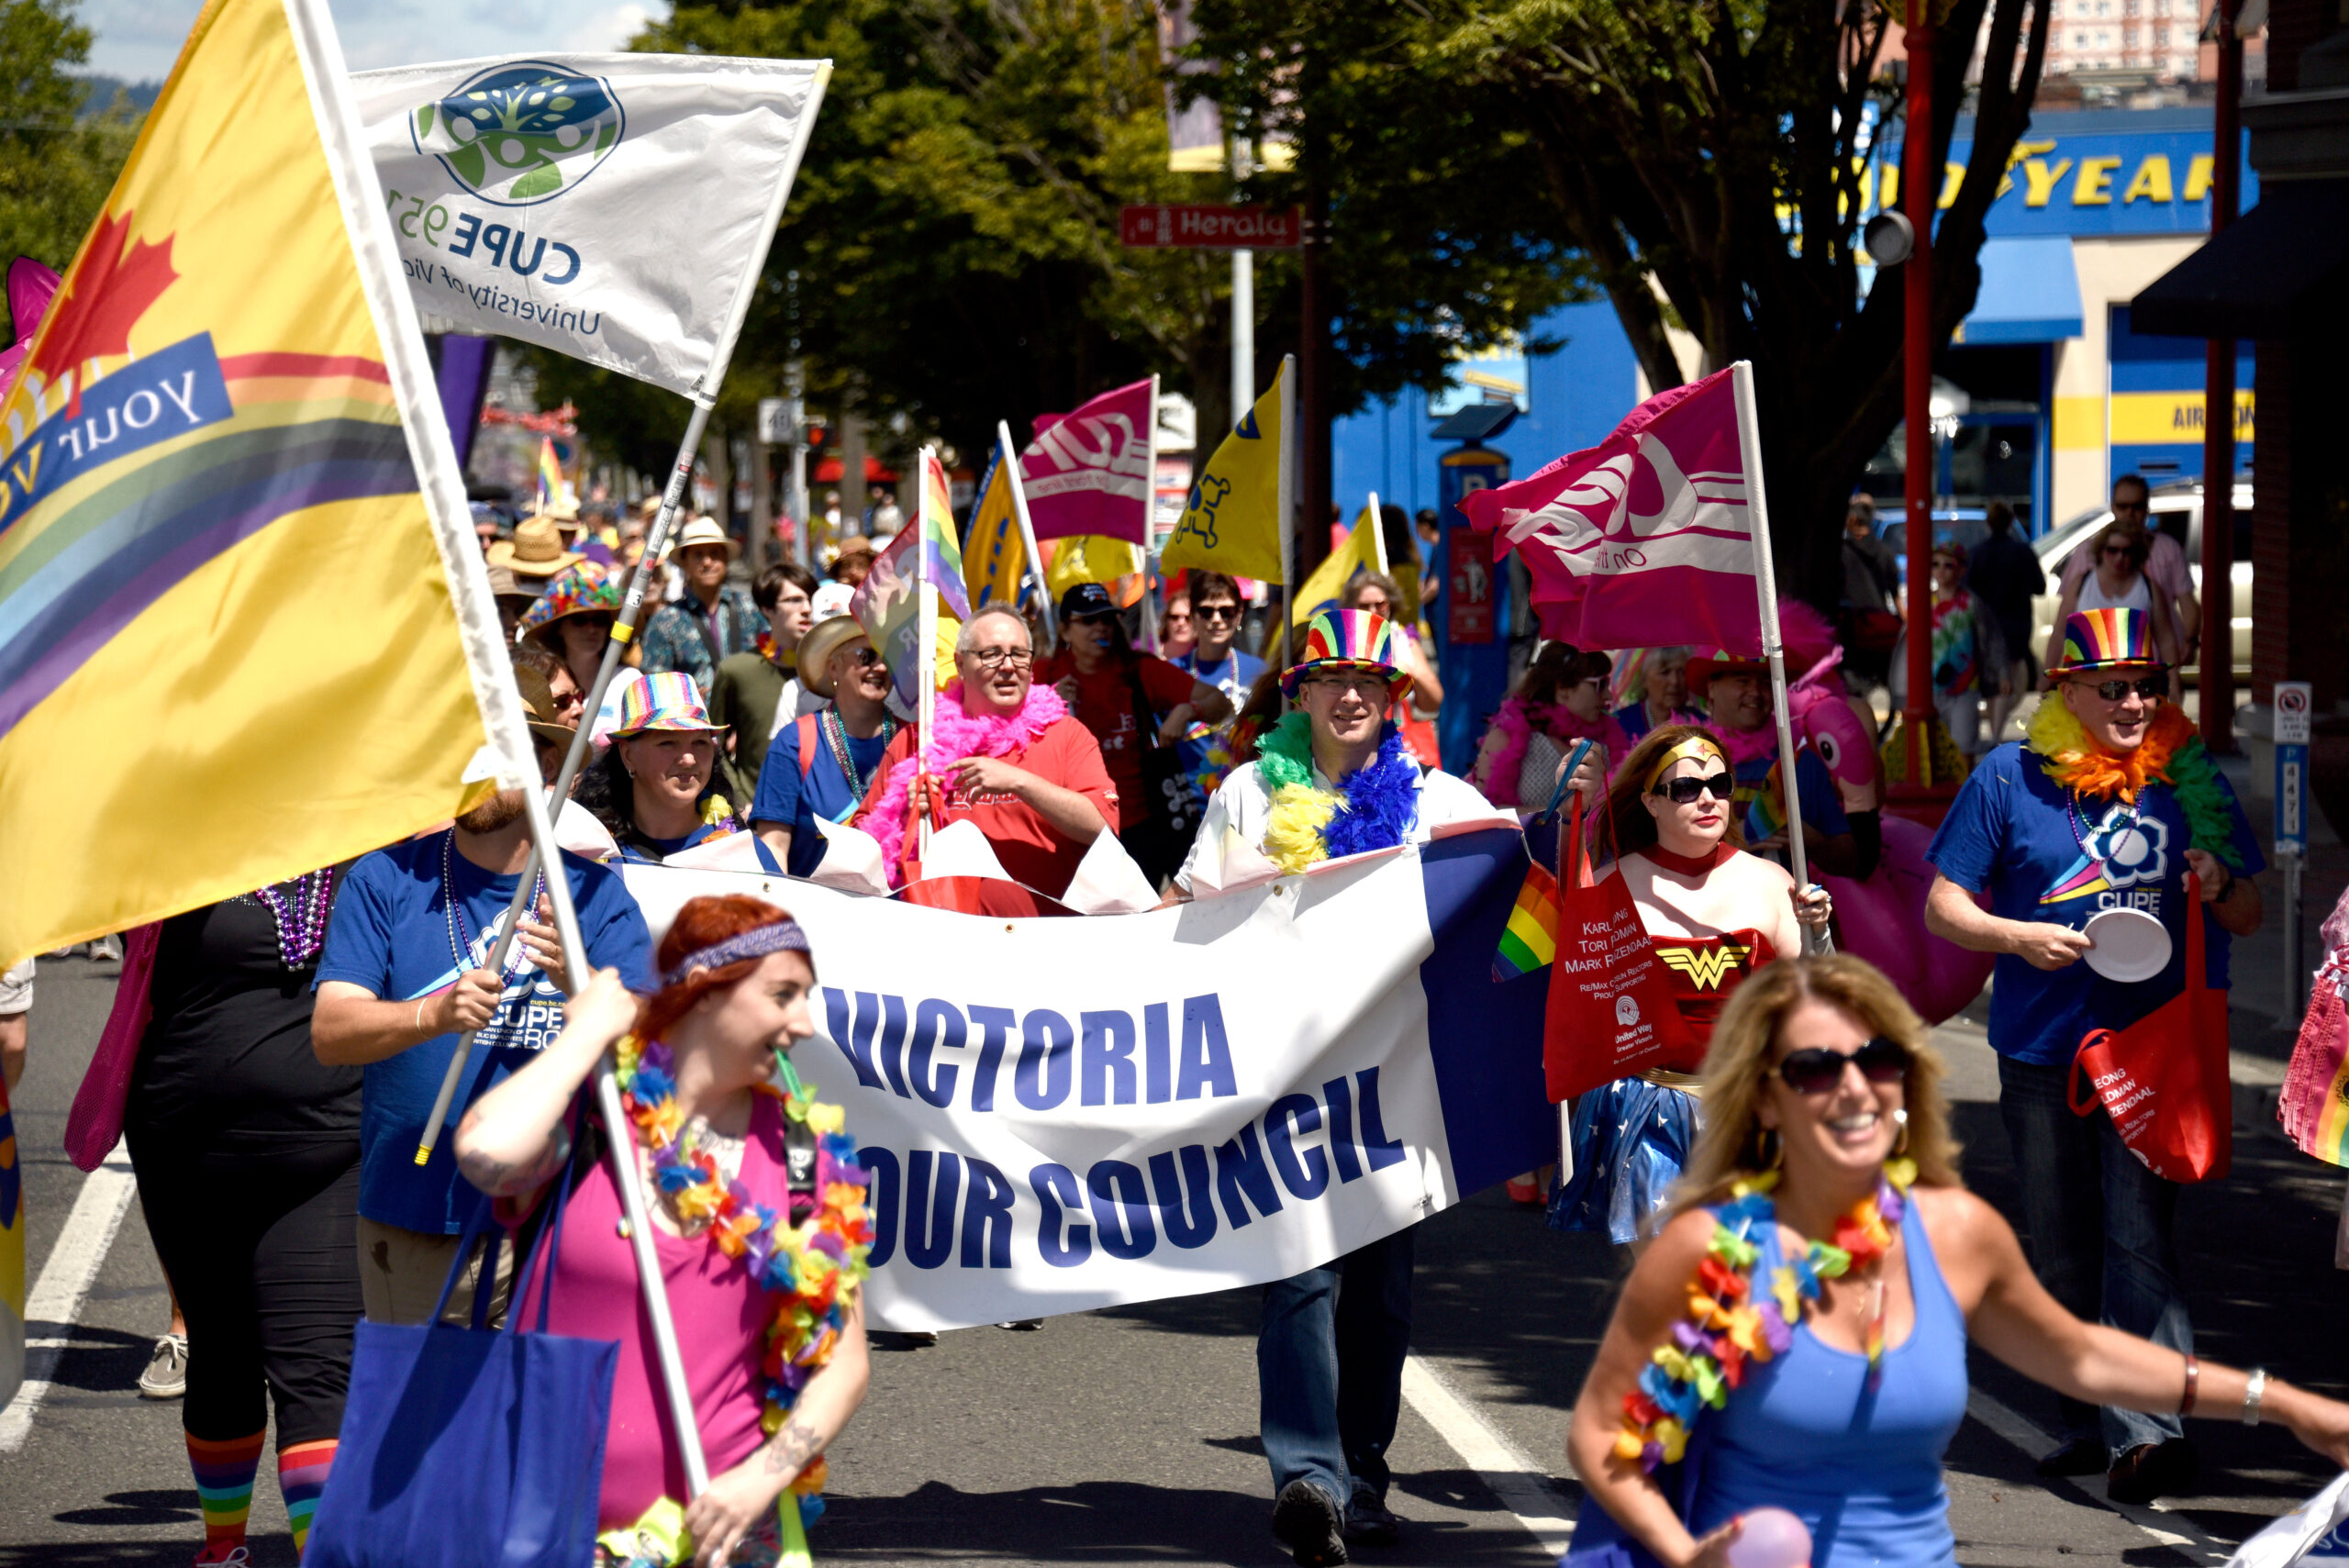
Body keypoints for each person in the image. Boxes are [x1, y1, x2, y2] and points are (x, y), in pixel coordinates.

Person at [1564, 954, 2349, 1568]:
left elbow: (2080, 1356)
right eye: (1812, 1068)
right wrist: (1684, 1553)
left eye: (1876, 1062)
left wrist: (2282, 1403)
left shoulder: (1952, 1234)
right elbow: (1604, 1435)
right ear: (1765, 1099)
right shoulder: (1707, 1248)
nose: (1852, 1089)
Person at [1168, 611, 1522, 1563]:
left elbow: (1513, 881)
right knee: (1299, 1274)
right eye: (1328, 676)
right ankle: (1307, 1479)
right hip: (1280, 1074)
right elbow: (1189, 911)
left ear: (1394, 697)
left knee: (1379, 1291)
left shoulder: (1439, 800)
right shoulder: (1249, 789)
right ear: (1300, 694)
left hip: (1398, 1087)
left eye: (1370, 677)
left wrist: (1571, 814)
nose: (1351, 693)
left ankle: (1362, 1473)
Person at [1924, 606, 2263, 1501]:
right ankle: (2089, 1417)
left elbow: (2248, 914)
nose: (2133, 701)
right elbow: (1941, 905)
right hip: (2041, 1047)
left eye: (2149, 683)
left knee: (2138, 1236)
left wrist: (2218, 880)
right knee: (2064, 1246)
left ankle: (2149, 1430)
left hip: (2154, 1051)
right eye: (2111, 685)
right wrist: (2012, 934)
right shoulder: (2009, 774)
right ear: (2063, 690)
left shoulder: (2187, 777)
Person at [454, 896, 871, 1568]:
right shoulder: (598, 1114)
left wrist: (761, 1478)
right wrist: (584, 1038)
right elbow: (485, 1155)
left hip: (722, 1537)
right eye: (783, 994)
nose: (804, 1022)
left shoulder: (808, 1157)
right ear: (707, 992)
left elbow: (845, 1364)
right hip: (545, 1531)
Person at [310, 787, 653, 1325]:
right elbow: (332, 1032)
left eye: (497, 751)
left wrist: (577, 982)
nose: (479, 772)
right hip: (421, 1214)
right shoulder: (385, 878)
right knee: (421, 1409)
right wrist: (433, 1015)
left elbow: (652, 1048)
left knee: (548, 1407)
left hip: (564, 1222)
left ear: (543, 767)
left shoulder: (593, 894)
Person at [119, 872, 362, 1565]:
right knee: (222, 1354)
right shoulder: (179, 839)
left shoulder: (375, 836)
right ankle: (223, 1547)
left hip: (328, 1145)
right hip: (186, 1146)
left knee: (317, 1364)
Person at [1551, 725, 1831, 1245]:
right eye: (1684, 788)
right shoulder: (1611, 885)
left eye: (1720, 785)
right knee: (1674, 1279)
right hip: (1646, 1109)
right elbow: (1576, 991)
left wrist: (1818, 929)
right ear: (1651, 802)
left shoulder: (1773, 882)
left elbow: (1823, 997)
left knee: (1743, 1284)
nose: (1707, 799)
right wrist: (1576, 805)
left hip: (1747, 1108)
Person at [855, 604, 1119, 913]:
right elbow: (867, 839)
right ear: (960, 663)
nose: (1008, 666)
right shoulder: (918, 741)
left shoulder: (1066, 734)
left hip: (1046, 941)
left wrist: (1020, 783)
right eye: (991, 654)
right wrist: (905, 811)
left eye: (1019, 653)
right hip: (945, 940)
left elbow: (1103, 826)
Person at [1037, 582, 1232, 884]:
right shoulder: (1044, 675)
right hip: (1068, 831)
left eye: (1107, 619)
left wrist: (1187, 711)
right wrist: (1047, 701)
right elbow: (998, 720)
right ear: (1064, 631)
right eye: (1088, 620)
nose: (1100, 628)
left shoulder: (1139, 670)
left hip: (1140, 831)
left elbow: (1220, 703)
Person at [1685, 648, 1861, 877]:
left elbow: (1852, 862)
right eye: (1742, 681)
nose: (1755, 693)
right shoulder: (1683, 760)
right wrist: (1729, 840)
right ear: (1712, 688)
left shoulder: (1800, 763)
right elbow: (1655, 850)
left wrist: (1815, 841)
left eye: (1766, 683)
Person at [754, 614, 903, 878]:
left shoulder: (911, 739)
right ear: (834, 668)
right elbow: (773, 844)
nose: (880, 667)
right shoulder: (795, 742)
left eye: (887, 658)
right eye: (866, 656)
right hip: (816, 911)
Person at [577, 672, 750, 865]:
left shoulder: (744, 851)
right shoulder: (589, 855)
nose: (688, 759)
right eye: (668, 743)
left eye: (700, 742)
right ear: (627, 755)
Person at [2059, 473, 2199, 673]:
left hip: (2156, 665)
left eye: (2137, 506)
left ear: (2147, 509)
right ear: (2113, 508)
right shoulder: (2087, 553)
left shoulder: (2167, 549)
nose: (2129, 513)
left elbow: (2188, 602)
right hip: (2098, 667)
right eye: (2122, 506)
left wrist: (2190, 641)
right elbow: (2064, 622)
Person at [1468, 641, 1629, 813]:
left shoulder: (1609, 737)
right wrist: (1561, 817)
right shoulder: (1510, 734)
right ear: (1562, 689)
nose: (1608, 695)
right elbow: (1485, 811)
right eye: (1600, 684)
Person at [709, 562, 821, 802]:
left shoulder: (830, 671)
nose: (807, 609)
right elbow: (713, 745)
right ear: (767, 608)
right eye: (794, 600)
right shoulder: (737, 671)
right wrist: (740, 800)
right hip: (759, 812)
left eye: (811, 599)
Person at [2044, 517, 2183, 696]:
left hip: (2134, 686)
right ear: (2101, 551)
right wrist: (2047, 676)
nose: (2120, 557)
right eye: (2113, 550)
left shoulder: (2149, 587)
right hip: (2087, 682)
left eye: (2127, 551)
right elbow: (2060, 632)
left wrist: (2174, 680)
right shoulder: (2081, 583)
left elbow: (2166, 638)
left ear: (2137, 554)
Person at [640, 516, 762, 695]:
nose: (707, 562)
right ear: (685, 564)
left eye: (714, 554)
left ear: (725, 561)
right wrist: (686, 697)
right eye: (698, 555)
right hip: (695, 720)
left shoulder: (751, 608)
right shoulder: (666, 620)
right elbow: (654, 684)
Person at [1966, 499, 2044, 744]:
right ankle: (1996, 734)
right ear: (2011, 521)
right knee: (2007, 679)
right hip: (2017, 623)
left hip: (1987, 624)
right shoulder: (2023, 551)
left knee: (1992, 680)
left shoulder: (1978, 553)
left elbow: (1969, 590)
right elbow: (2039, 586)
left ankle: (1994, 732)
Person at [1920, 542, 2008, 756]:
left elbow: (1993, 640)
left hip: (1967, 685)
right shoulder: (1923, 603)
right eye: (1935, 564)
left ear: (1961, 570)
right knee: (1933, 748)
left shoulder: (1972, 603)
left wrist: (2002, 674)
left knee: (1964, 744)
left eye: (1948, 565)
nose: (1940, 569)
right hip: (1929, 687)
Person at [519, 563, 625, 700]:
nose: (591, 629)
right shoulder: (541, 683)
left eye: (599, 620)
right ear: (559, 628)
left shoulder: (627, 680)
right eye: (579, 620)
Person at [1839, 498, 1900, 690]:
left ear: (1852, 519)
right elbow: (1895, 591)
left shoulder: (1841, 552)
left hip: (1851, 626)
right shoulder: (1885, 551)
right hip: (1880, 626)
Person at [1611, 646, 1705, 744]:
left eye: (1682, 672)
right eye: (1665, 672)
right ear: (1643, 679)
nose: (1675, 681)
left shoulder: (1703, 726)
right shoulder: (1619, 723)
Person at [1158, 590, 1197, 662]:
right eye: (1174, 617)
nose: (1181, 623)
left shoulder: (1205, 657)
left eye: (1188, 618)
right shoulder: (1151, 653)